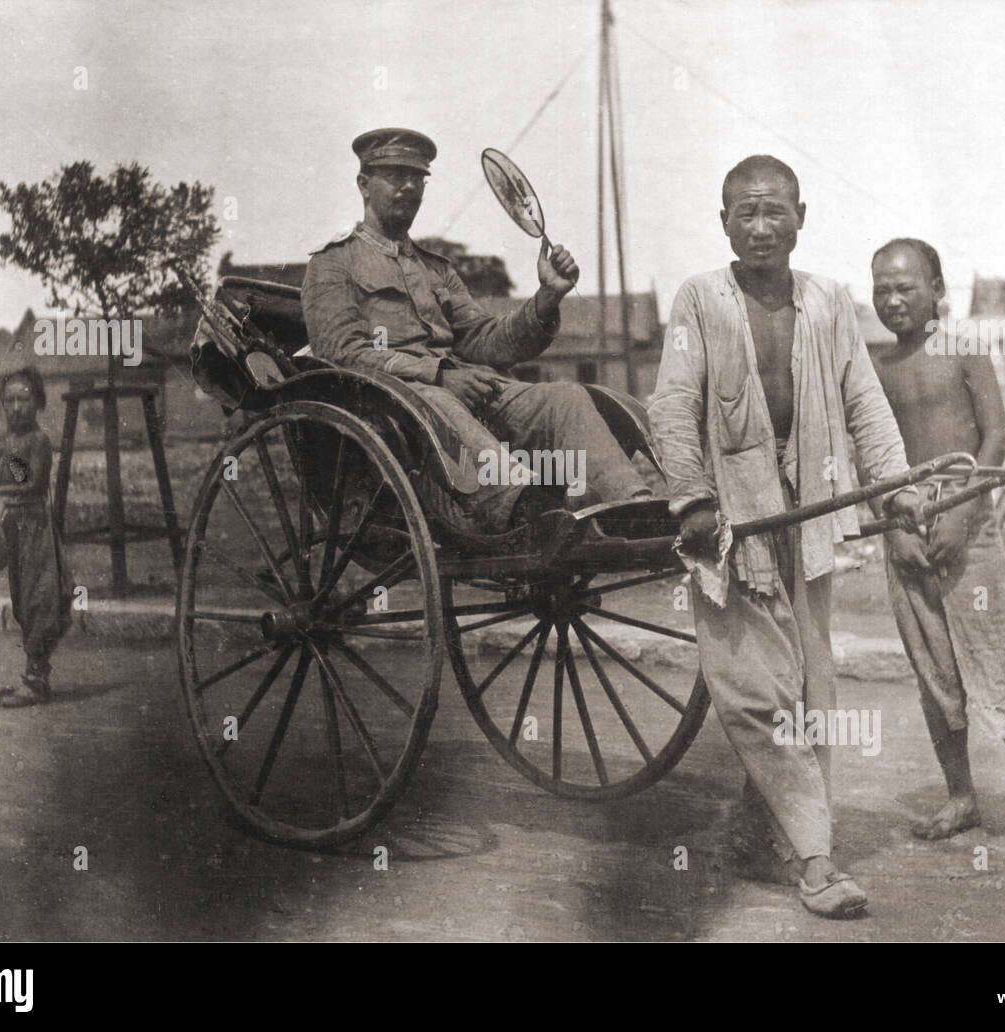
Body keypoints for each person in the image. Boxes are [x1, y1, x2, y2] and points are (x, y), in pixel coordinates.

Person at [648, 155, 923, 918]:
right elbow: (673, 401)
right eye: (746, 213)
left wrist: (895, 489)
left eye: (776, 211)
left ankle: (763, 830)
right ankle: (815, 860)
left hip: (809, 519)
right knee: (754, 692)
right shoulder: (699, 300)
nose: (761, 227)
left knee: (810, 686)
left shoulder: (830, 302)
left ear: (803, 214)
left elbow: (863, 402)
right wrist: (694, 499)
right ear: (724, 222)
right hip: (730, 524)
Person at [301, 128, 652, 533]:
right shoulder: (333, 264)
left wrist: (547, 297)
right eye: (396, 176)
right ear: (364, 184)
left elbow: (488, 342)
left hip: (465, 398)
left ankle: (634, 506)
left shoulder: (437, 269)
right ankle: (528, 514)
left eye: (418, 178)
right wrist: (437, 375)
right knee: (437, 401)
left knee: (564, 397)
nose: (410, 187)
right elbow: (341, 353)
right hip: (393, 409)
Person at [868, 238, 1005, 849]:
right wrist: (892, 524)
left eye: (906, 286)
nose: (893, 299)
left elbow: (996, 439)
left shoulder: (964, 351)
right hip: (903, 534)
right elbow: (871, 457)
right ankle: (961, 797)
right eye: (881, 287)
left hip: (970, 529)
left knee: (1001, 658)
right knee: (935, 673)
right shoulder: (877, 370)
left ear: (939, 290)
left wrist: (961, 512)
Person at [0, 367, 72, 708]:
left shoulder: (38, 441)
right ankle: (36, 676)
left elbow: (30, 485)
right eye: (10, 401)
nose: (16, 407)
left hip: (35, 527)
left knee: (38, 599)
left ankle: (35, 680)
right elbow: (1, 474)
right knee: (20, 599)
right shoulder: (12, 442)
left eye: (24, 399)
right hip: (15, 528)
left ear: (38, 402)